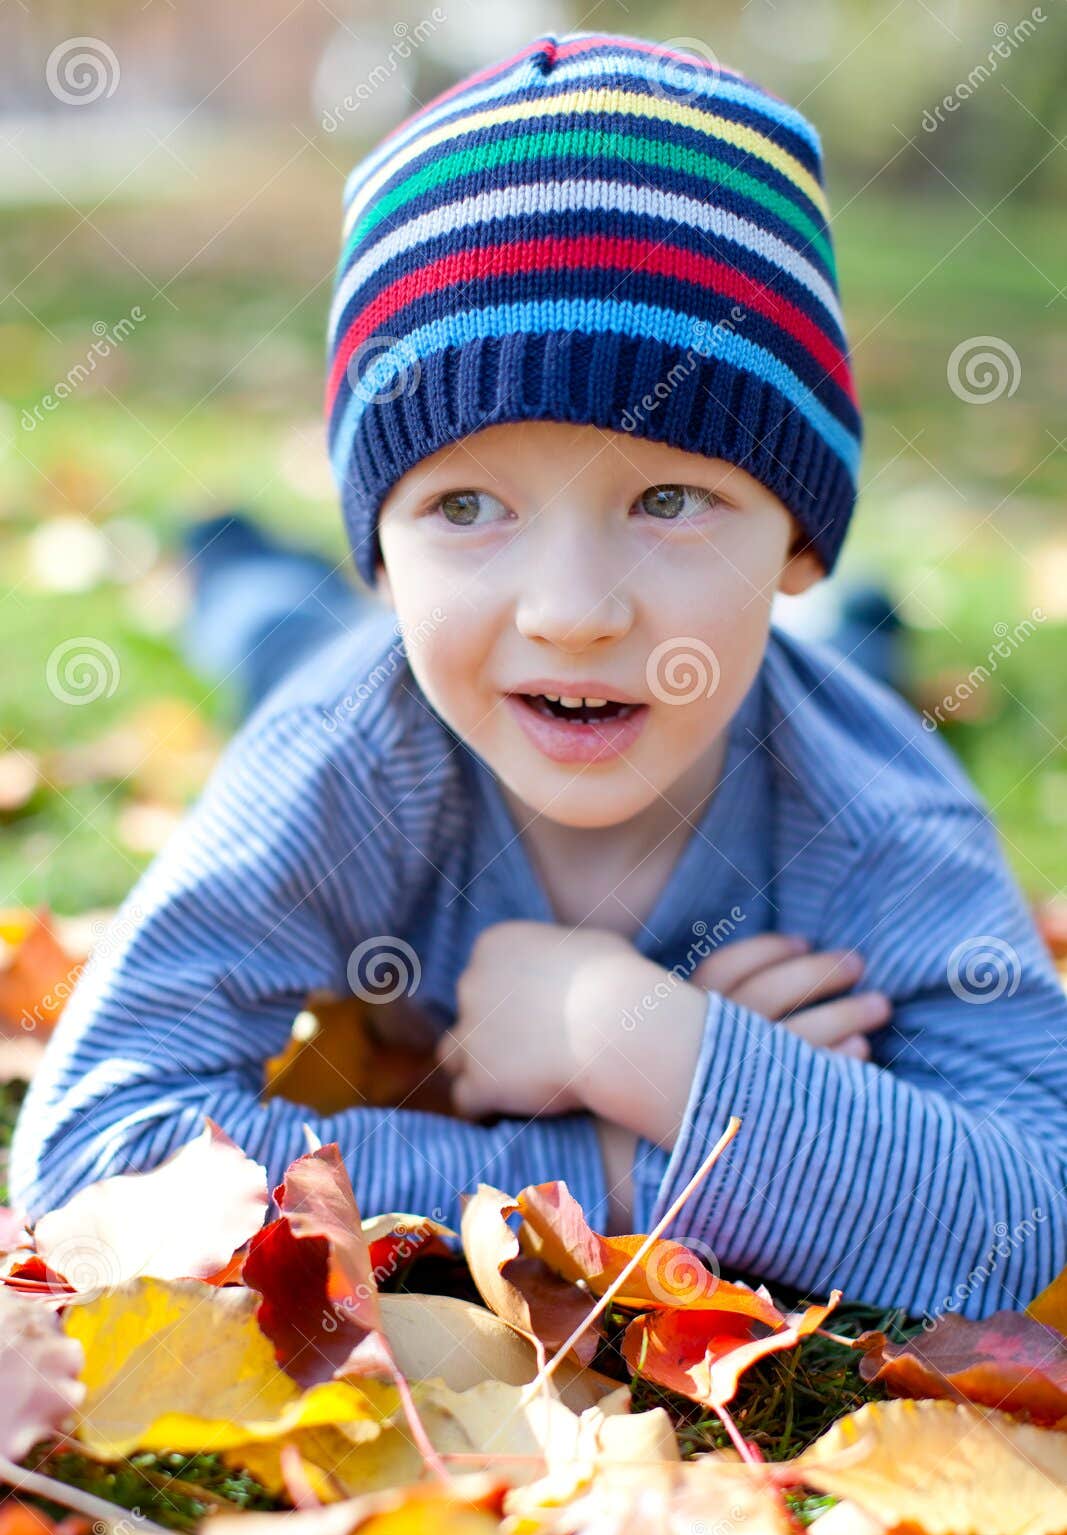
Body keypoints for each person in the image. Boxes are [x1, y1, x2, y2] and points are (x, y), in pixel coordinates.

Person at [12, 33, 1066, 1320]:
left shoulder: (871, 809)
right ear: (384, 558)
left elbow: (1023, 1213)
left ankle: (855, 627)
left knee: (844, 676)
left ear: (793, 535)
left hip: (769, 679)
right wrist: (609, 1171)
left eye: (670, 497)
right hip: (346, 665)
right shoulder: (343, 754)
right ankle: (236, 556)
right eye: (464, 505)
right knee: (270, 632)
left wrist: (621, 1032)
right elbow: (97, 1150)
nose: (571, 612)